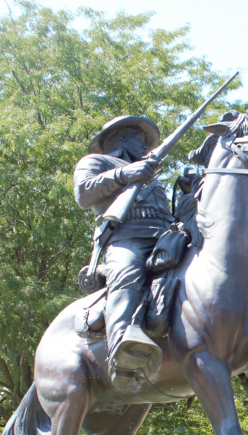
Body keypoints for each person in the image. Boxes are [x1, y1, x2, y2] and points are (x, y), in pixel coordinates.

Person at [73, 116, 172, 389]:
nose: (145, 146)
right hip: (128, 237)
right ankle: (121, 353)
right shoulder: (96, 162)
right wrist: (125, 174)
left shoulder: (149, 171)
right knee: (128, 275)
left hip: (168, 237)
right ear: (121, 137)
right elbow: (83, 194)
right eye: (140, 139)